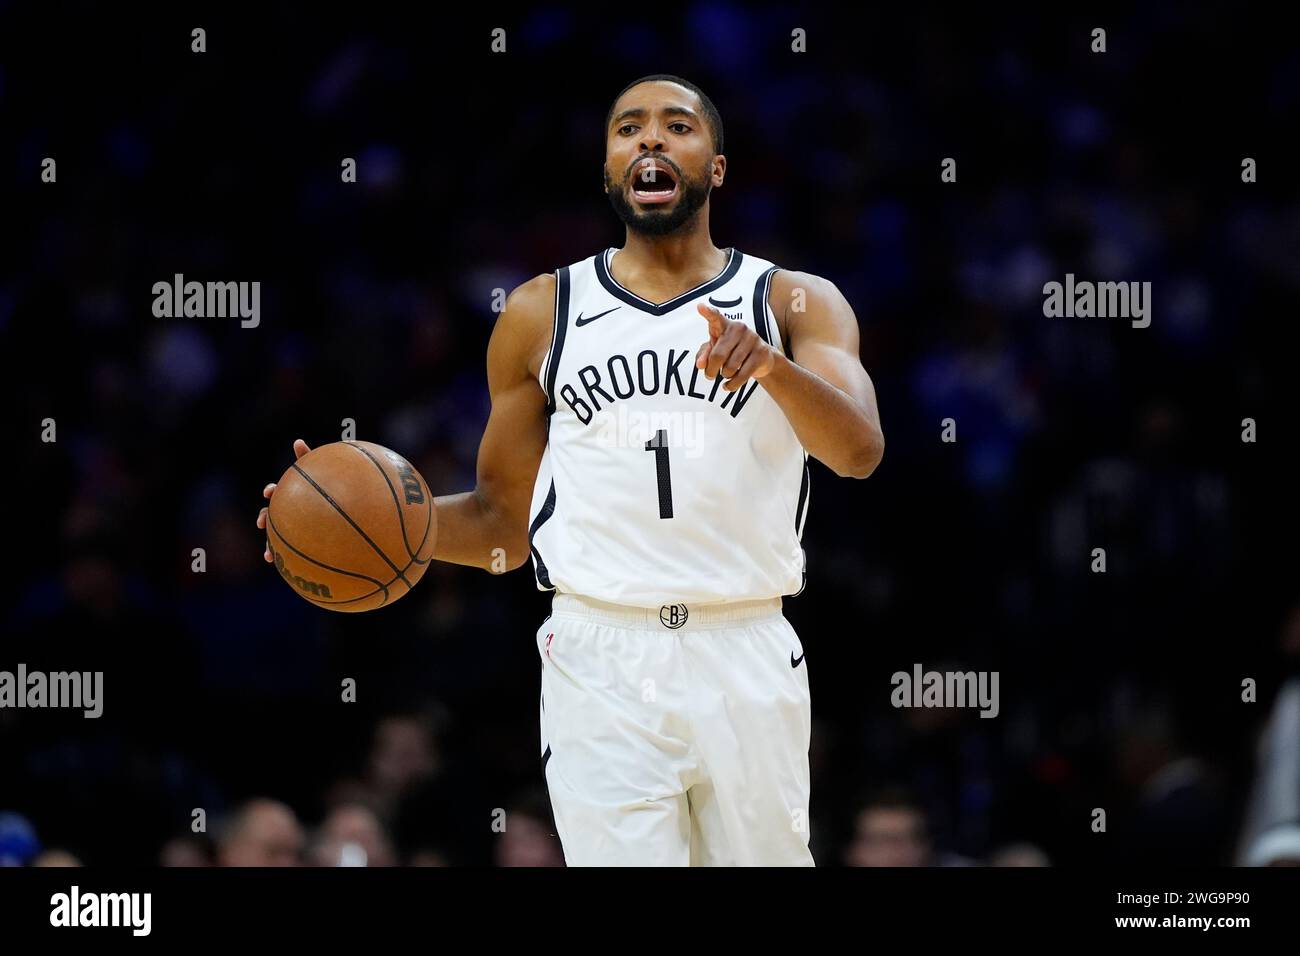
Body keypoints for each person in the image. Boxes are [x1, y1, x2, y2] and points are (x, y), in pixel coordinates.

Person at [257, 74, 884, 866]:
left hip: (746, 643)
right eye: (628, 129)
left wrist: (772, 369)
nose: (650, 140)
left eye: (676, 126)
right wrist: (362, 523)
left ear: (717, 167)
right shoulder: (538, 314)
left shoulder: (794, 302)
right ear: (608, 167)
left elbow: (859, 451)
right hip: (601, 654)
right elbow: (502, 528)